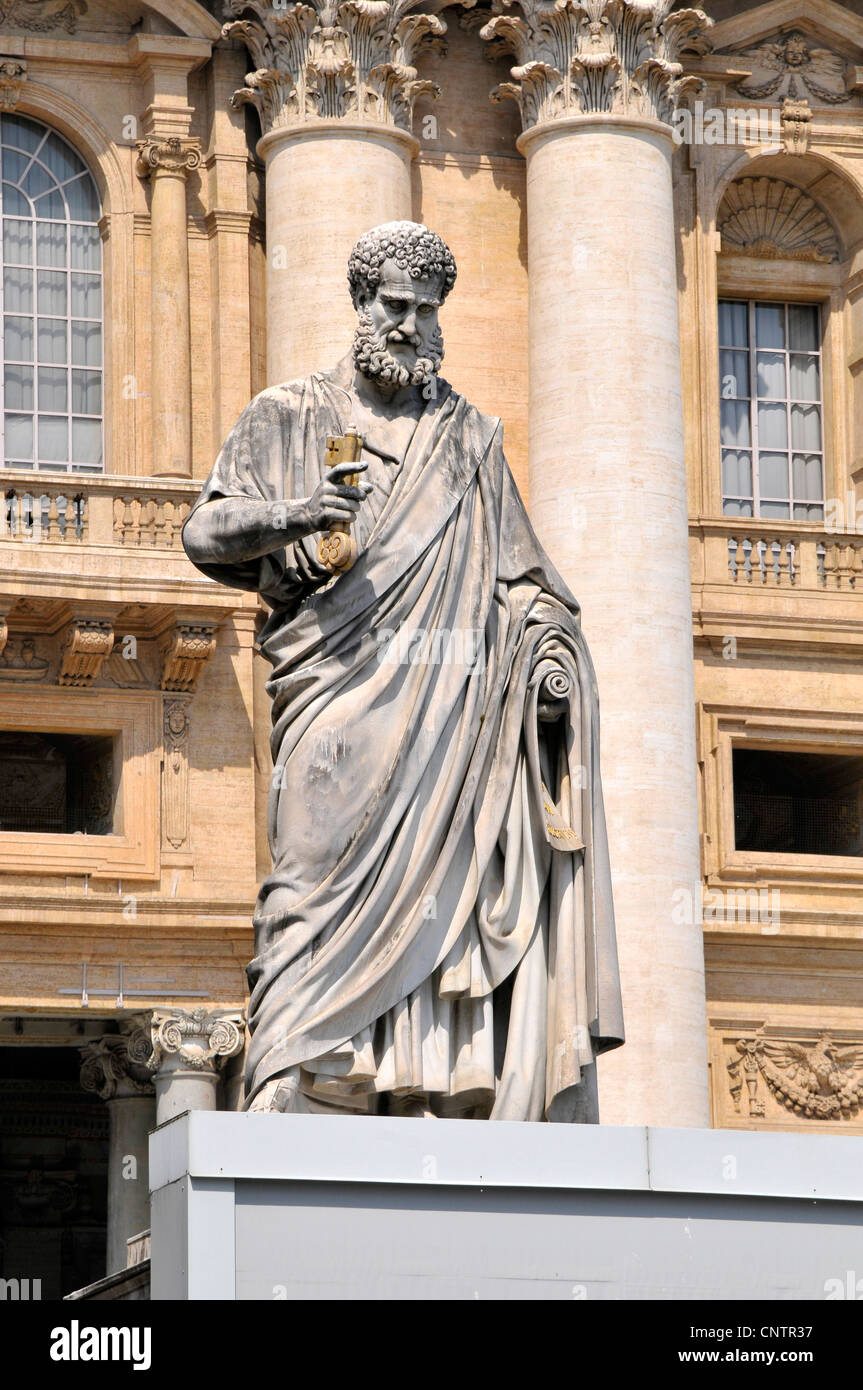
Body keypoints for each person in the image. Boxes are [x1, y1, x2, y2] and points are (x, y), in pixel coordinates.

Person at [182, 220, 623, 1120]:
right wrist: (298, 512)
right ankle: (288, 1075)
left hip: (449, 712)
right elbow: (204, 533)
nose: (410, 324)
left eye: (427, 310)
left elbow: (529, 581)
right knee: (307, 878)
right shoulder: (289, 414)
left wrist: (546, 661)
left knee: (445, 890)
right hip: (332, 694)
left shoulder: (469, 441)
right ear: (358, 304)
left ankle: (421, 1086)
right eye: (393, 304)